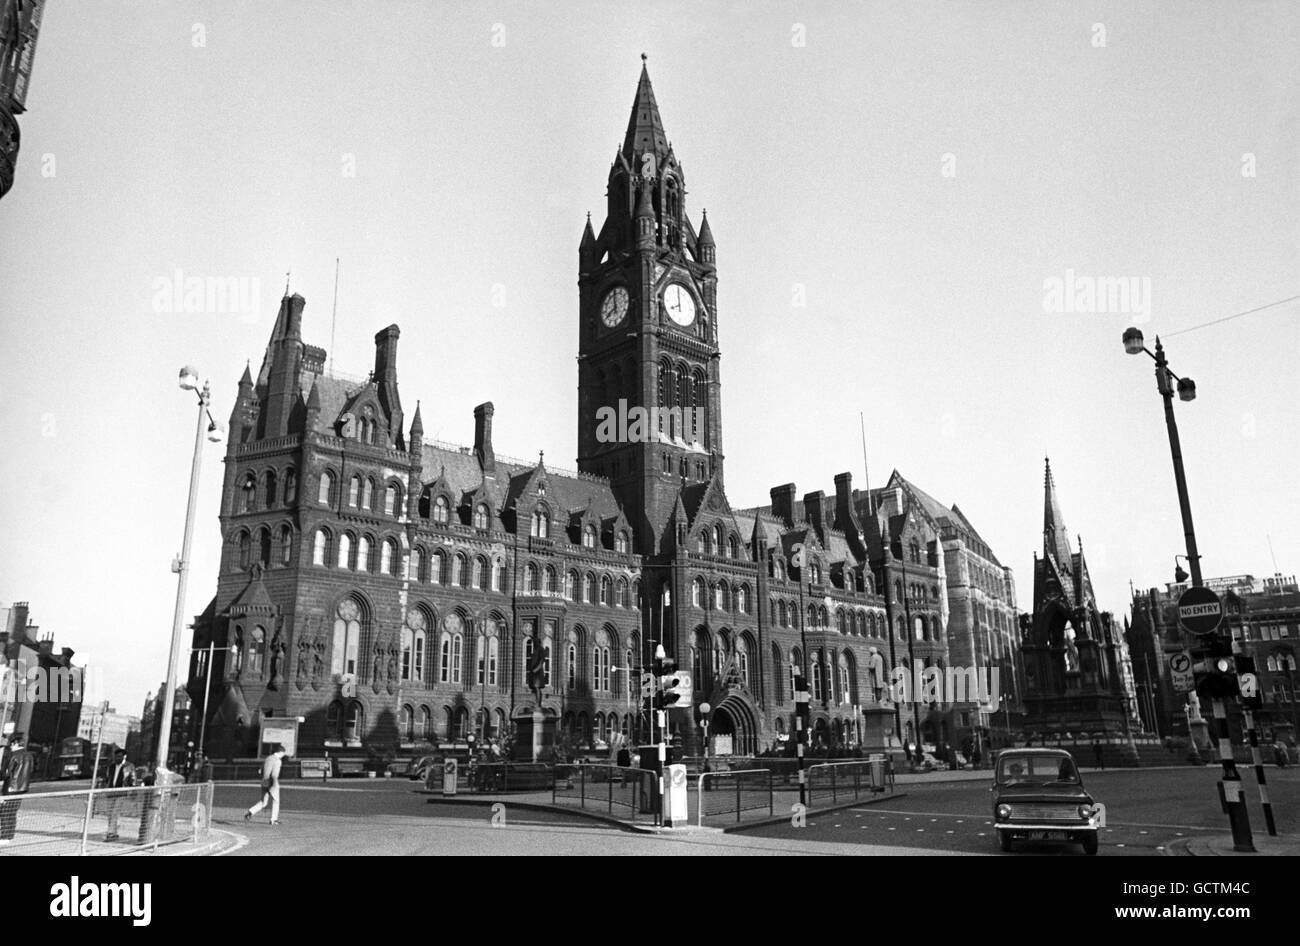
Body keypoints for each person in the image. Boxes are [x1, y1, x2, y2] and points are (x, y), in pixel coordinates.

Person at [244, 744, 287, 825]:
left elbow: (260, 770)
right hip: (272, 782)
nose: (283, 755)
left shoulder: (268, 758)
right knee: (276, 801)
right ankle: (273, 820)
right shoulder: (278, 761)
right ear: (280, 752)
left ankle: (250, 812)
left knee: (263, 802)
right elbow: (274, 774)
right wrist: (275, 784)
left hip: (264, 781)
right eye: (283, 753)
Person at [103, 749, 136, 841]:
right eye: (116, 756)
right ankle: (114, 832)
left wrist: (132, 791)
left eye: (119, 756)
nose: (117, 758)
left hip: (121, 793)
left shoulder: (129, 766)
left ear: (124, 756)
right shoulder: (111, 766)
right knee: (110, 813)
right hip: (111, 792)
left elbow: (133, 779)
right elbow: (107, 778)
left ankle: (110, 833)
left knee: (115, 813)